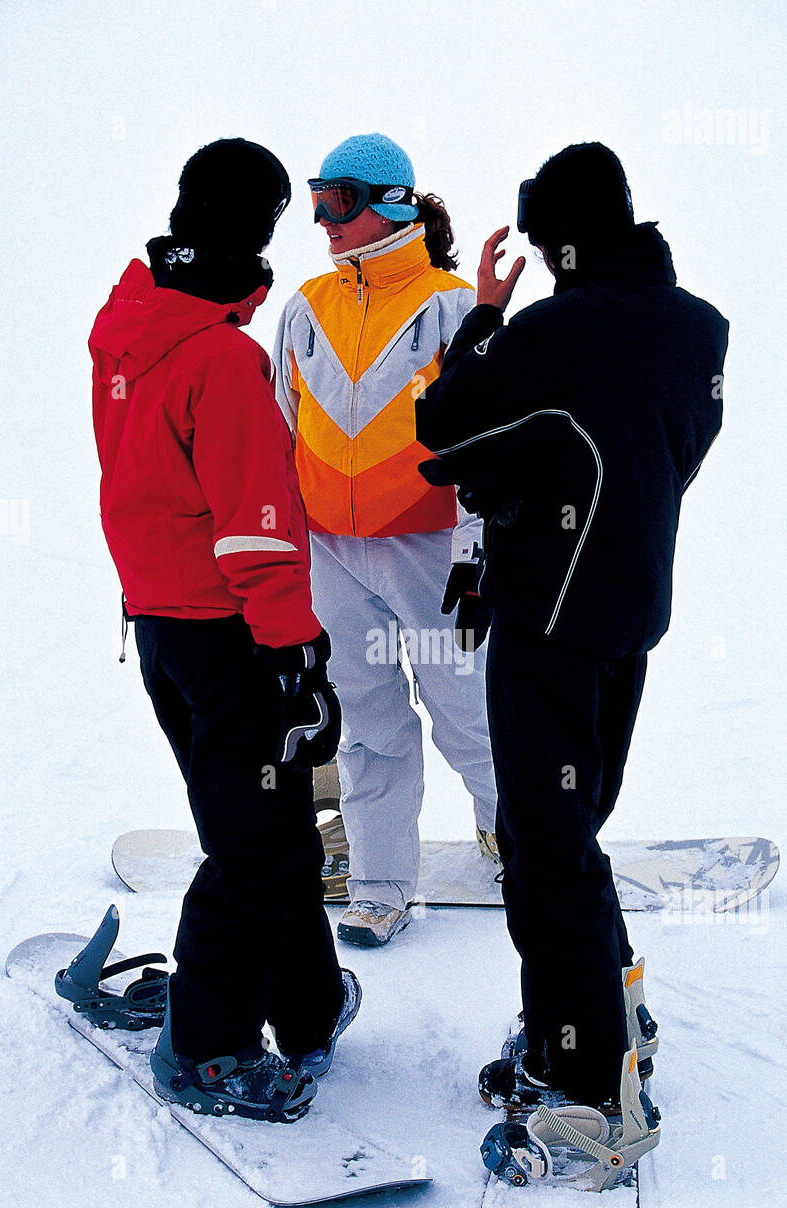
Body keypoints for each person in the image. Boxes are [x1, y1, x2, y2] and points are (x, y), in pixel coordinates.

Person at [416, 143, 729, 1111]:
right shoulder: (699, 327)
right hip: (630, 609)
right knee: (568, 828)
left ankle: (579, 1070)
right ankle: (608, 1004)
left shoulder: (558, 326)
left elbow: (441, 429)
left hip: (548, 615)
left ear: (554, 244)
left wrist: (483, 317)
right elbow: (659, 453)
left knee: (542, 846)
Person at [89, 138, 360, 1123]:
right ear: (260, 228)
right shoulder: (220, 358)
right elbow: (253, 528)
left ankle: (309, 1005)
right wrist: (296, 652)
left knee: (267, 828)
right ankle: (204, 1047)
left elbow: (149, 487)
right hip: (234, 635)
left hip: (162, 629)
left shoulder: (127, 329)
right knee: (253, 849)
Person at [272, 133, 498, 948]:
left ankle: (509, 835)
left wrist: (477, 555)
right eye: (317, 200)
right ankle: (378, 882)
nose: (324, 221)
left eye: (340, 202)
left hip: (431, 550)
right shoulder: (305, 307)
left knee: (466, 709)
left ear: (391, 205)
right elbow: (280, 431)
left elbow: (485, 445)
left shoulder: (450, 306)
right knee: (366, 721)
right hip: (333, 551)